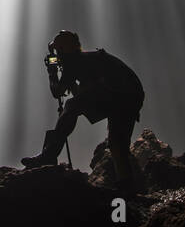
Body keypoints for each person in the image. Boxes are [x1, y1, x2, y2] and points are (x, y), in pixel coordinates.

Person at [21, 30, 145, 186]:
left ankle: (49, 155)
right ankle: (126, 184)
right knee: (117, 142)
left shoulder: (74, 61)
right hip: (129, 95)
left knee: (71, 105)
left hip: (120, 94)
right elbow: (81, 94)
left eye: (59, 50)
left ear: (64, 49)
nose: (58, 55)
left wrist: (52, 71)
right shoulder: (87, 60)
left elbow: (58, 92)